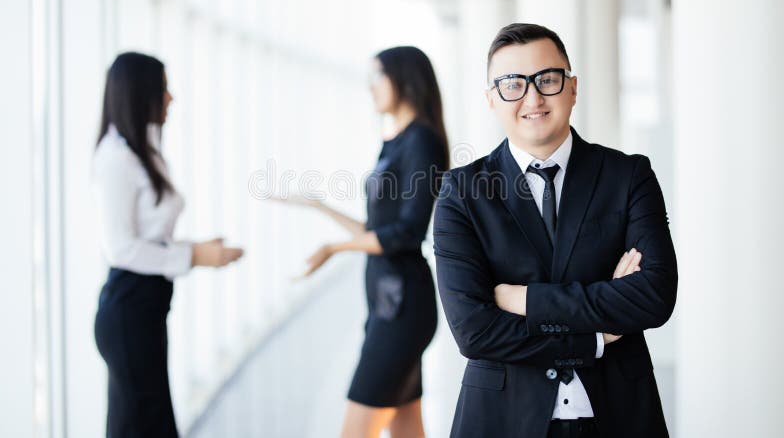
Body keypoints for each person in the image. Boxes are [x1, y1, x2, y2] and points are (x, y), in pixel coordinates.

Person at [433, 24, 678, 438]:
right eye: (513, 84)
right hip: (502, 418)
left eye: (547, 80)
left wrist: (523, 299)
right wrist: (597, 337)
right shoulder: (462, 192)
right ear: (492, 99)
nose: (533, 97)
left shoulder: (628, 175)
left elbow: (654, 296)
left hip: (619, 413)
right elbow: (475, 331)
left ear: (572, 87)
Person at [273, 46, 448, 438]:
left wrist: (333, 249)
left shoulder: (422, 141)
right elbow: (377, 229)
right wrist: (320, 207)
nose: (370, 88)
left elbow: (406, 233)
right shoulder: (396, 141)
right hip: (387, 303)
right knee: (407, 429)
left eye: (377, 77)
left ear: (403, 79)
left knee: (355, 431)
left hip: (402, 306)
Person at [92, 52, 244, 438]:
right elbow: (120, 248)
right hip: (128, 308)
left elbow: (149, 236)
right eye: (163, 89)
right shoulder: (115, 160)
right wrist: (194, 255)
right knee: (144, 423)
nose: (171, 99)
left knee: (143, 421)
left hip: (147, 306)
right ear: (140, 93)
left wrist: (196, 248)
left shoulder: (141, 152)